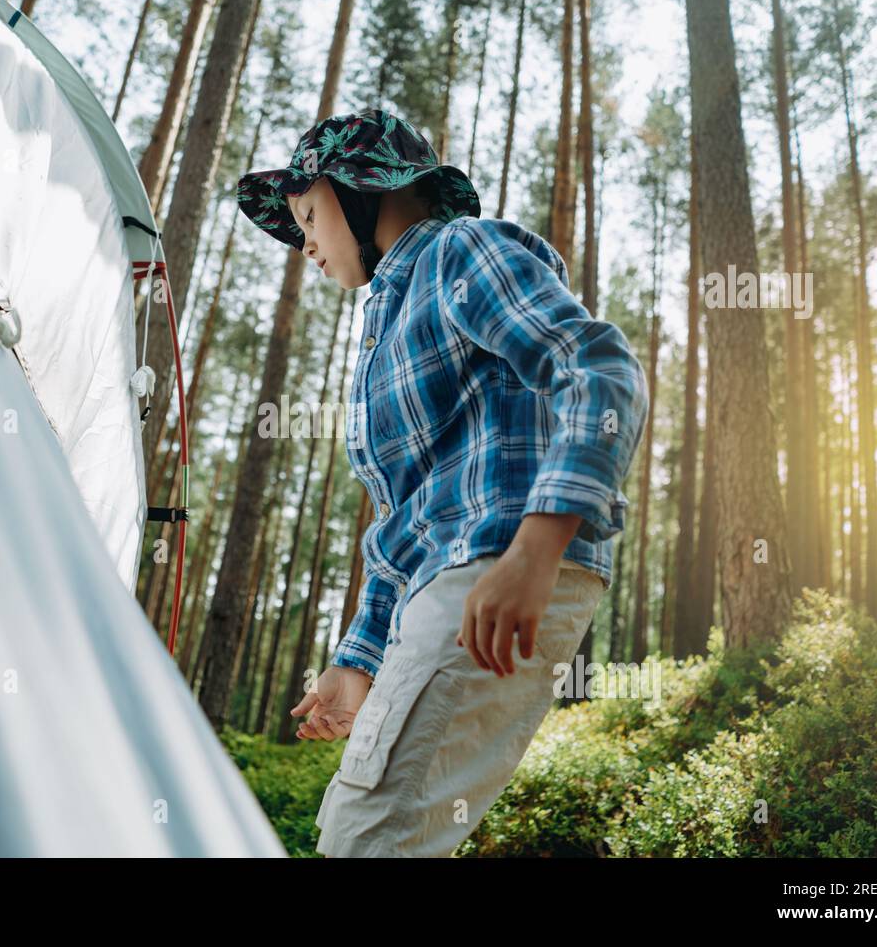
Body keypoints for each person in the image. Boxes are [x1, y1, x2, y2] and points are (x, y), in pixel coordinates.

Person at [236, 107, 648, 857]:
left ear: (359, 189)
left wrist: (535, 548)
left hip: (500, 560)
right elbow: (404, 526)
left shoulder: (459, 252)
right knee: (351, 828)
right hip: (453, 573)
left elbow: (598, 369)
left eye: (305, 216)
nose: (305, 247)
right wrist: (356, 664)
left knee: (370, 834)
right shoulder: (385, 322)